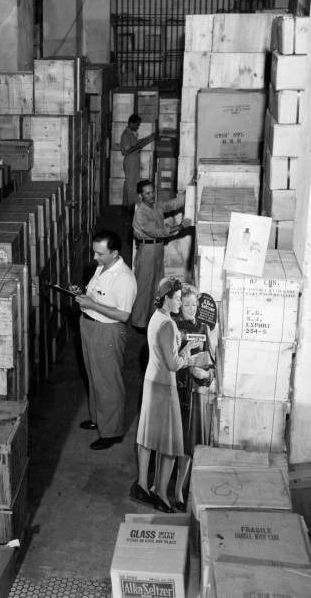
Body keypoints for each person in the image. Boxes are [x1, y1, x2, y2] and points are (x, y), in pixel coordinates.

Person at [131, 278, 197, 513]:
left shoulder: (156, 318)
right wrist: (187, 357)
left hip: (151, 381)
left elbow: (161, 352)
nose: (180, 303)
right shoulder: (168, 324)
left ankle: (142, 485)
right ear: (167, 299)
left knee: (149, 437)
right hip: (163, 385)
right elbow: (172, 363)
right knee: (169, 443)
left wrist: (180, 348)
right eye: (178, 299)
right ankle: (160, 492)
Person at [71, 230, 137, 451]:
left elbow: (123, 315)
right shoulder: (103, 267)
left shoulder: (124, 278)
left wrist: (92, 306)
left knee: (108, 382)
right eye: (94, 252)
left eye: (100, 254)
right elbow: (97, 295)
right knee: (93, 375)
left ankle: (112, 431)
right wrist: (82, 295)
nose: (95, 258)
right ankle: (98, 418)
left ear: (115, 253)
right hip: (89, 325)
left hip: (107, 332)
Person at [173, 284, 216, 509]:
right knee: (180, 443)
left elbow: (212, 361)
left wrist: (206, 374)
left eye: (194, 304)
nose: (191, 308)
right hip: (181, 392)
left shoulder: (203, 327)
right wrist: (188, 356)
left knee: (194, 443)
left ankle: (187, 488)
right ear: (180, 305)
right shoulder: (174, 327)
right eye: (187, 304)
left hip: (199, 393)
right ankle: (177, 490)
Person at [132, 179, 190, 330]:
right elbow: (155, 231)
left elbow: (172, 204)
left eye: (153, 192)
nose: (151, 196)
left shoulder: (156, 206)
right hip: (147, 250)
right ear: (140, 196)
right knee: (144, 286)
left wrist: (189, 190)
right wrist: (179, 226)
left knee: (157, 283)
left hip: (157, 249)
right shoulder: (140, 213)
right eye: (147, 193)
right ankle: (139, 323)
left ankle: (151, 318)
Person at [120, 114, 154, 209]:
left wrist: (149, 138)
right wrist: (138, 146)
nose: (138, 127)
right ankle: (132, 205)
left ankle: (127, 204)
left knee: (129, 182)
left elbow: (137, 144)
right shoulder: (126, 135)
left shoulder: (131, 133)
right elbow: (127, 150)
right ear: (131, 123)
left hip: (133, 160)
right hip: (130, 161)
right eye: (137, 125)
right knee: (132, 183)